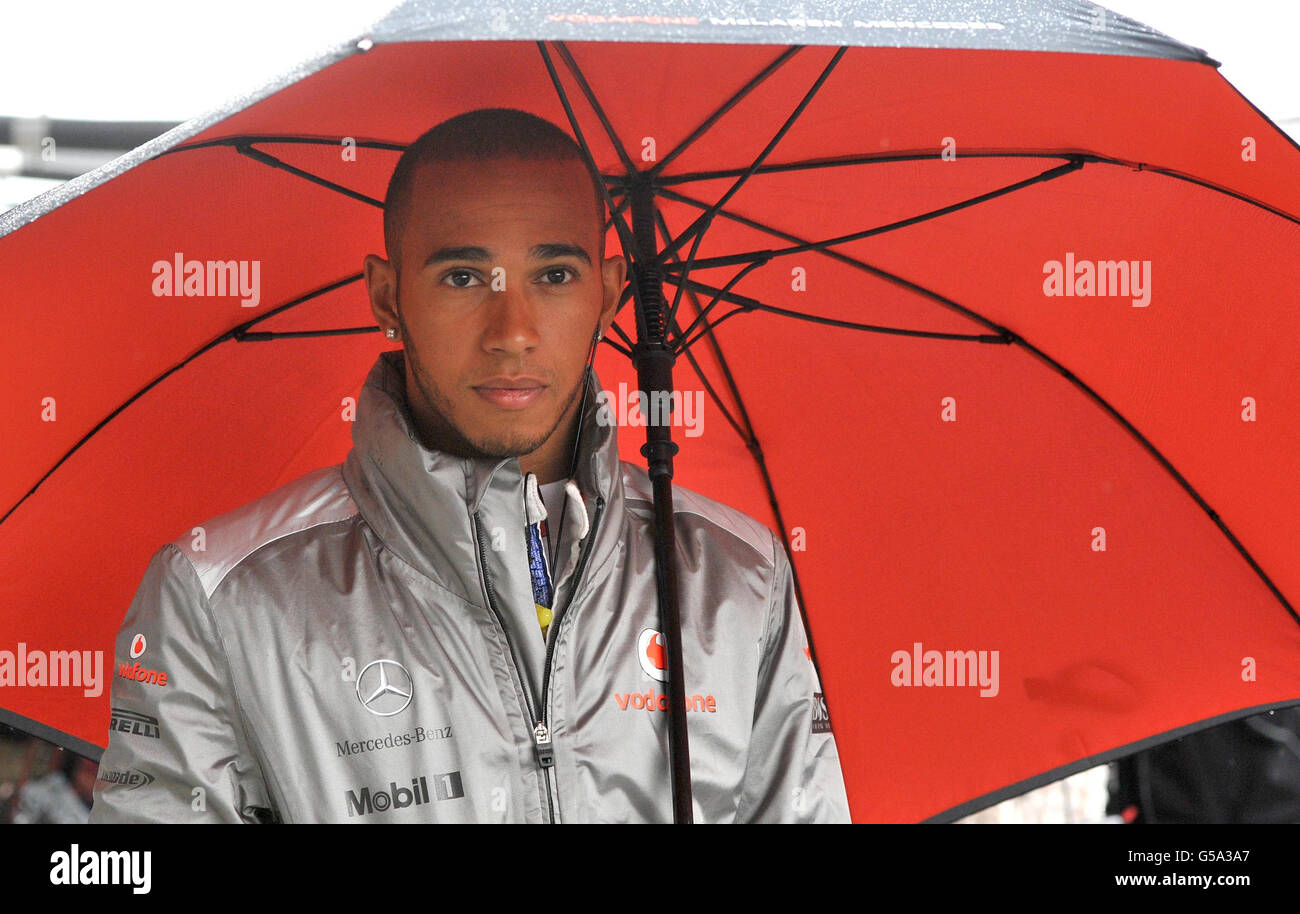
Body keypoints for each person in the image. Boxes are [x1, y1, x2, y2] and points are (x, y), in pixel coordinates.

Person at [90, 107, 850, 823]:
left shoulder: (739, 580)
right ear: (387, 295)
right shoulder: (223, 595)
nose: (512, 332)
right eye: (462, 277)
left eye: (553, 276)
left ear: (612, 295)